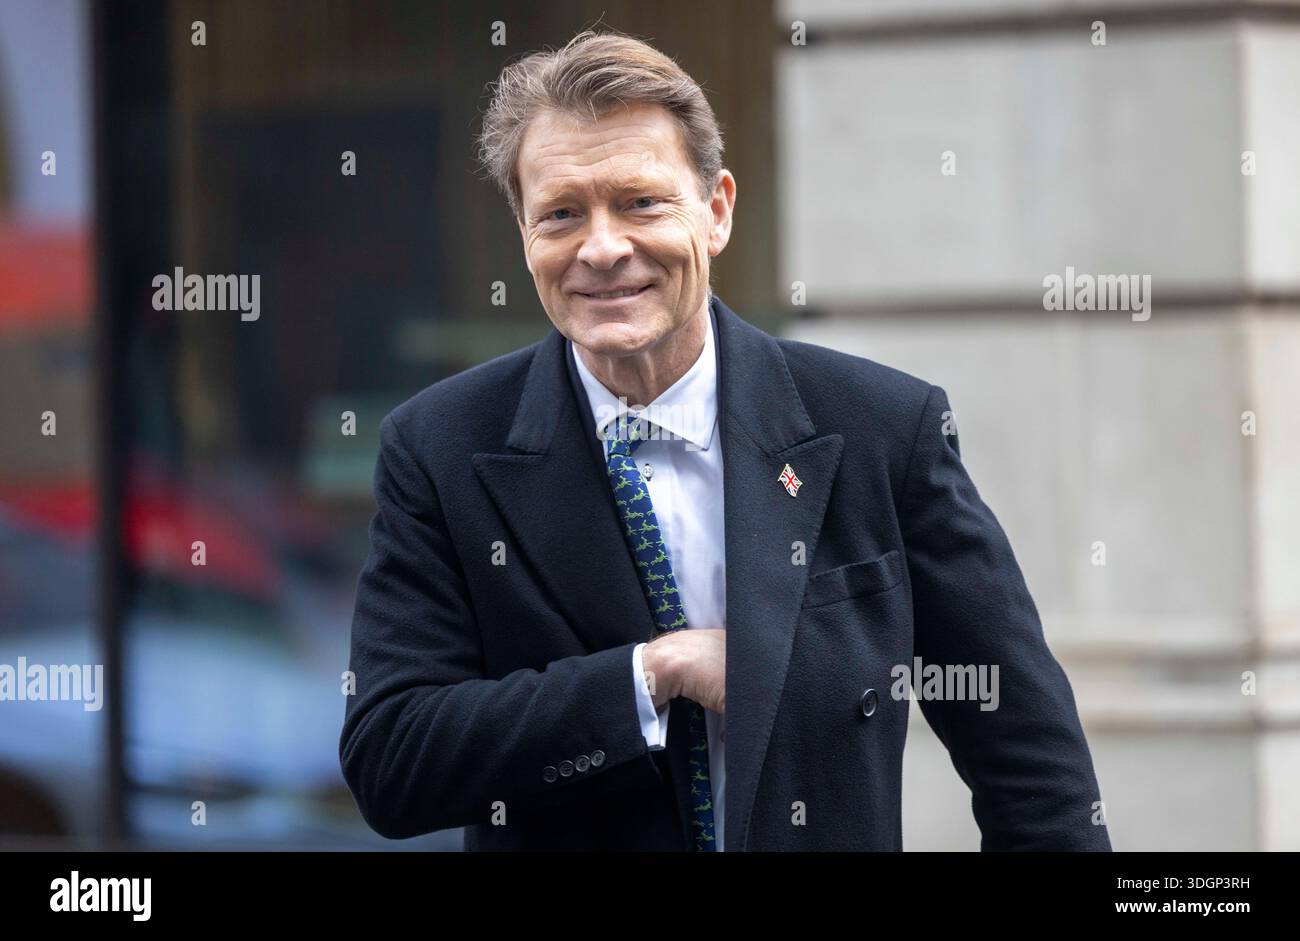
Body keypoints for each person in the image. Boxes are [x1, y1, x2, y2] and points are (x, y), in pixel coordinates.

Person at [339, 29, 1111, 852]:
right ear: (524, 235)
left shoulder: (881, 429)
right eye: (562, 213)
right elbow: (392, 757)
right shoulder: (440, 449)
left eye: (640, 201)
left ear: (716, 212)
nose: (602, 247)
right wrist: (650, 674)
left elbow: (1031, 767)